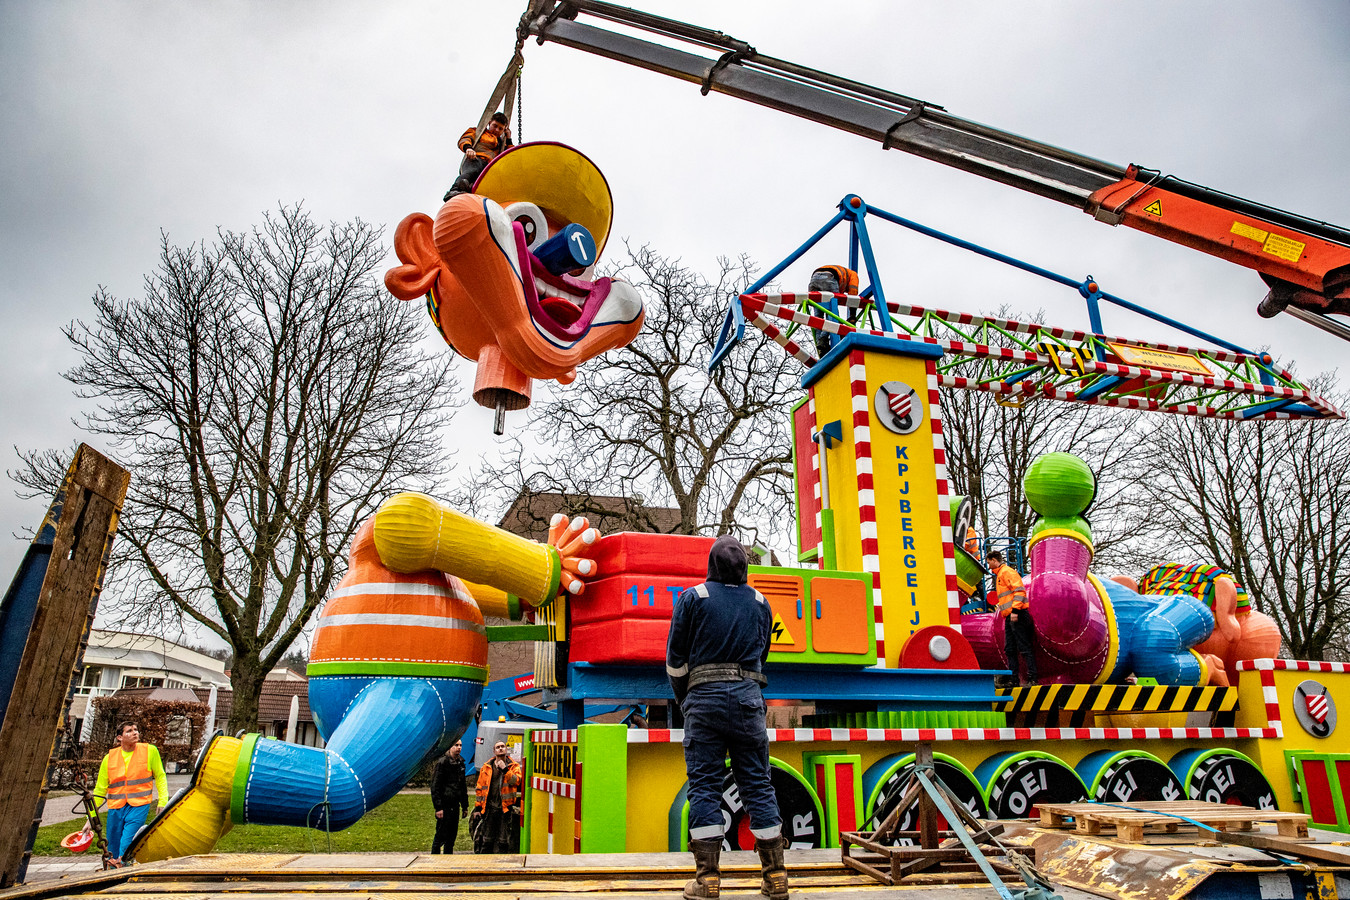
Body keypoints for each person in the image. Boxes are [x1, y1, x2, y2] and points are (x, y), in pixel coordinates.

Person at [666, 536, 788, 900]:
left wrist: (685, 697)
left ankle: (707, 880)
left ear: (711, 565)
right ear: (744, 568)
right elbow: (762, 654)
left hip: (703, 701)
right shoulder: (760, 602)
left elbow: (675, 660)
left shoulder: (694, 598)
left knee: (705, 785)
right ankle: (776, 876)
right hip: (750, 699)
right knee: (757, 784)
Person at [84, 722, 168, 866]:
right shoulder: (109, 759)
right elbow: (99, 791)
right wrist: (90, 819)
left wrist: (163, 801)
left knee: (126, 843)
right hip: (116, 808)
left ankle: (124, 870)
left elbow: (160, 776)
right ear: (119, 737)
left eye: (136, 729)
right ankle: (114, 873)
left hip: (139, 805)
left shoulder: (150, 751)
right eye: (129, 731)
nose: (135, 733)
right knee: (113, 848)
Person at [988, 550, 1037, 685]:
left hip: (1017, 615)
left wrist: (1015, 611)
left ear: (994, 560)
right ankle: (1014, 679)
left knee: (1024, 647)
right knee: (1010, 649)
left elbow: (1019, 591)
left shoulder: (1006, 572)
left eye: (989, 562)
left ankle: (1032, 677)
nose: (988, 565)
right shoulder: (1000, 574)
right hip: (1010, 617)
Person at [445, 111, 514, 200]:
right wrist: (468, 148)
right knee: (472, 171)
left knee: (483, 184)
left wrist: (508, 139)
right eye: (495, 126)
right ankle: (455, 189)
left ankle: (470, 190)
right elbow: (465, 139)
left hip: (488, 166)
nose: (497, 130)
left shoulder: (501, 143)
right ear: (489, 122)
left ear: (504, 130)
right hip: (475, 159)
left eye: (500, 128)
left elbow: (510, 155)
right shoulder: (479, 132)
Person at [470, 740, 523, 854]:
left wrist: (505, 770)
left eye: (502, 747)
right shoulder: (486, 767)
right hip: (489, 808)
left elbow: (517, 781)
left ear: (506, 750)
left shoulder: (513, 766)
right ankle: (485, 862)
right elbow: (480, 788)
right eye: (498, 747)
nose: (500, 749)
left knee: (503, 840)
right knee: (486, 839)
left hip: (505, 809)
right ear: (494, 751)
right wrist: (478, 808)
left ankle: (502, 863)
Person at [430, 739, 469, 853]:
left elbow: (462, 786)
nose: (459, 748)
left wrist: (465, 806)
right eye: (456, 745)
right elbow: (435, 786)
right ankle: (434, 858)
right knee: (440, 835)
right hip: (445, 804)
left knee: (452, 836)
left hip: (455, 804)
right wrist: (438, 807)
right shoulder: (443, 763)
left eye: (460, 745)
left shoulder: (460, 763)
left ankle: (448, 857)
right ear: (450, 747)